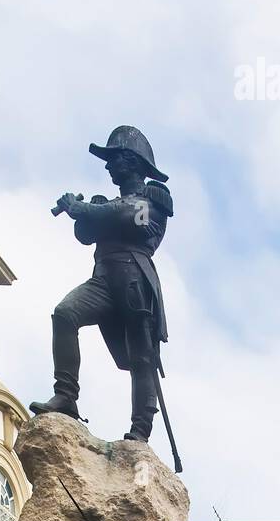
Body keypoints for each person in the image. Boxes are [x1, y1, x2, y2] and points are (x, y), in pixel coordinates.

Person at [30, 126, 173, 441]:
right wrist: (83, 213)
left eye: (114, 159)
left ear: (131, 162)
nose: (108, 166)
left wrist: (87, 209)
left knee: (141, 357)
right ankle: (65, 395)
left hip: (134, 277)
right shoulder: (107, 204)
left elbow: (133, 216)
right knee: (65, 314)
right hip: (104, 278)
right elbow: (85, 236)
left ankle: (140, 429)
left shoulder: (153, 197)